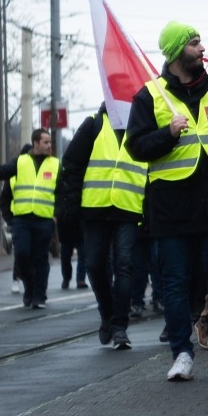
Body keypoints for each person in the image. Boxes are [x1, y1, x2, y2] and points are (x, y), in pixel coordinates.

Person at [127, 21, 208, 382]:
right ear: (178, 52)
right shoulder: (149, 96)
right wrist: (168, 133)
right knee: (175, 282)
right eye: (195, 43)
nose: (201, 47)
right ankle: (181, 352)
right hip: (171, 205)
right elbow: (136, 146)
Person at [56, 100, 147, 349]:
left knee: (124, 266)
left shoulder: (140, 129)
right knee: (94, 265)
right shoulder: (94, 125)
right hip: (95, 209)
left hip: (127, 208)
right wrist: (71, 208)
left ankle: (120, 326)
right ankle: (107, 314)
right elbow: (71, 165)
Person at [0, 130, 60, 308]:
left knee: (40, 259)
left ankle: (39, 296)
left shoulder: (56, 164)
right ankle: (29, 287)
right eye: (46, 142)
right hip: (22, 220)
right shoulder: (20, 162)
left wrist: (56, 216)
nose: (50, 146)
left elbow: (63, 193)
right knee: (21, 255)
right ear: (35, 143)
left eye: (50, 142)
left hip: (44, 220)